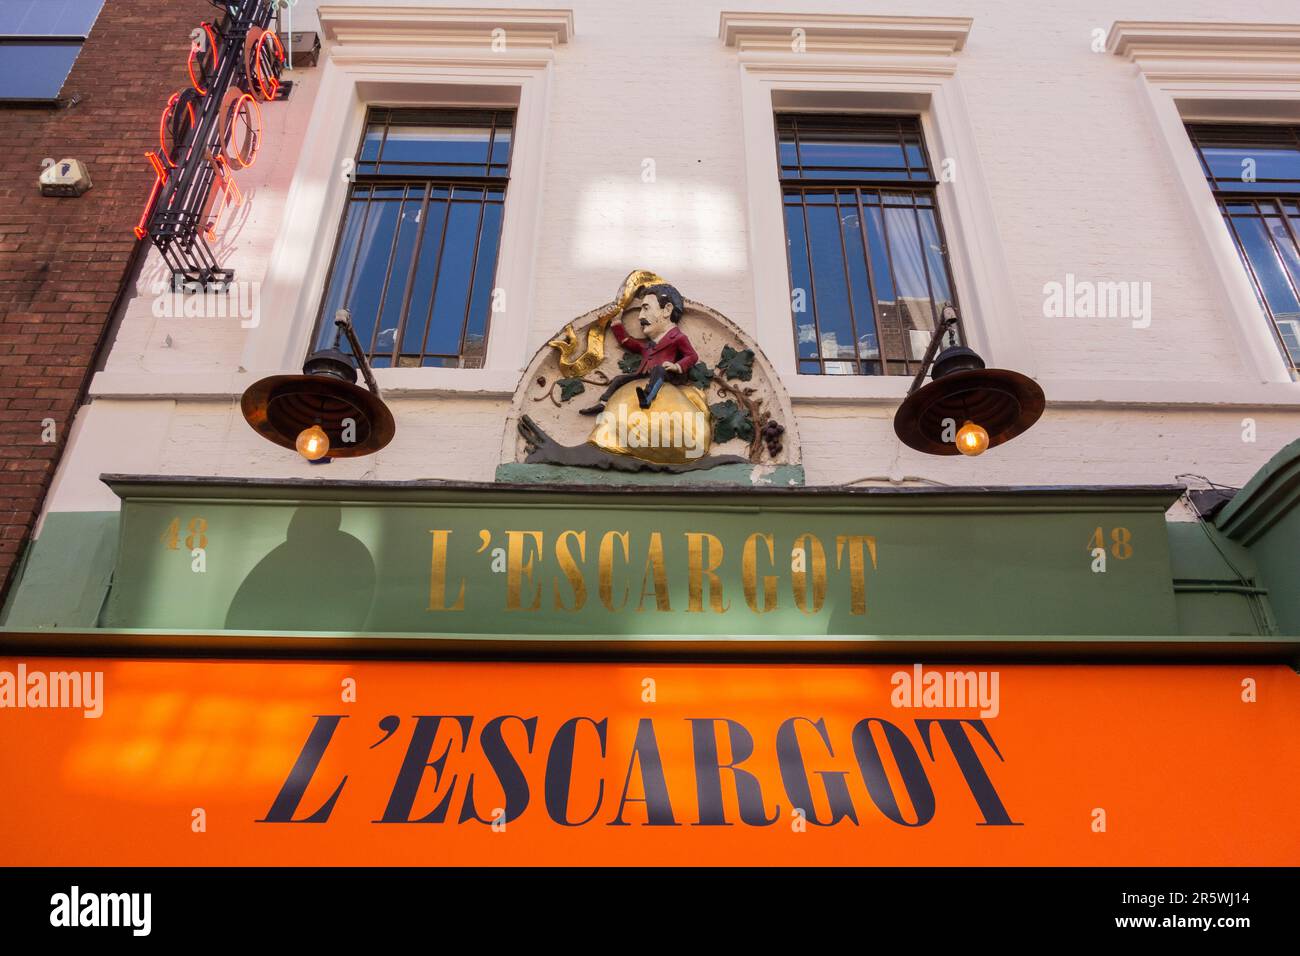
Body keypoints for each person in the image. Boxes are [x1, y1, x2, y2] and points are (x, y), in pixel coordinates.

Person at [579, 283, 699, 415]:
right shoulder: (648, 344)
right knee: (619, 379)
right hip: (642, 374)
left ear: (667, 310)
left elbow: (692, 356)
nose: (640, 316)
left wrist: (676, 366)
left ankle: (648, 397)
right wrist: (616, 322)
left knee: (659, 370)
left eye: (646, 308)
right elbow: (628, 342)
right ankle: (603, 403)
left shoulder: (678, 337)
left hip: (666, 374)